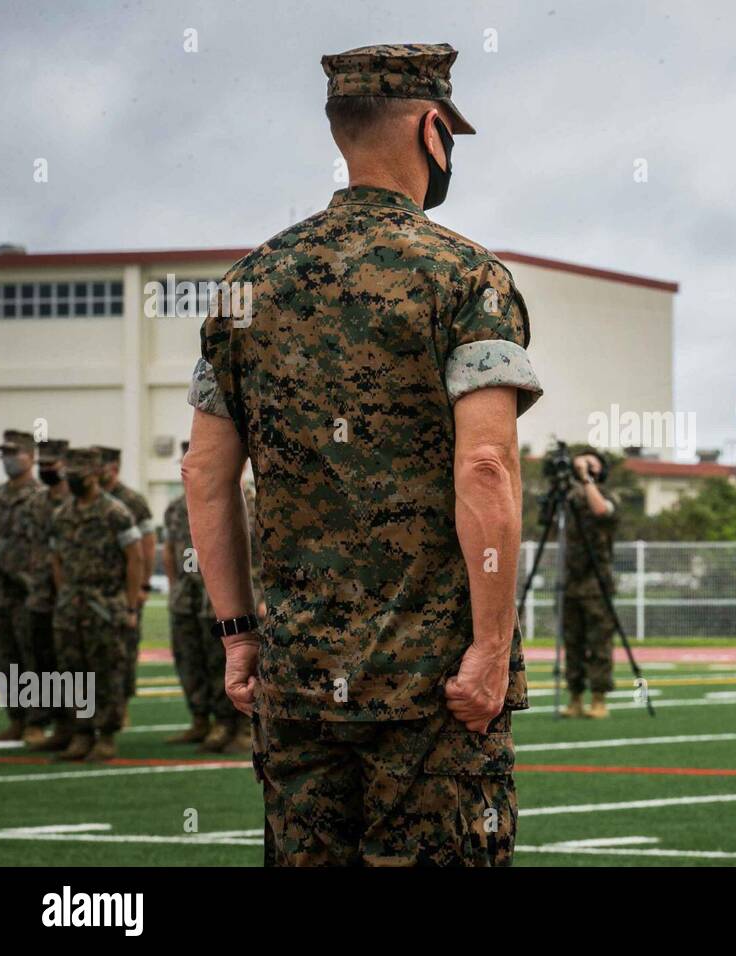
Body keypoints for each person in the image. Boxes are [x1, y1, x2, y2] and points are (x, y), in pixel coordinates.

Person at [184, 42, 542, 866]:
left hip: (298, 682)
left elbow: (205, 474)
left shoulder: (247, 286)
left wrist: (239, 637)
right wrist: (489, 651)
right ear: (431, 130)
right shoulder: (464, 279)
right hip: (432, 691)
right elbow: (485, 468)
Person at [50, 447, 143, 761]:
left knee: (107, 672)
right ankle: (81, 733)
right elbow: (57, 559)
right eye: (70, 476)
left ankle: (106, 735)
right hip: (70, 608)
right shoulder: (61, 515)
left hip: (105, 605)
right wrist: (65, 594)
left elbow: (135, 558)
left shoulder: (115, 513)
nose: (73, 481)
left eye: (79, 476)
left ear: (94, 475)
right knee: (73, 673)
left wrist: (130, 606)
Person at [163, 441, 238, 750]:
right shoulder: (176, 507)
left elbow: (256, 554)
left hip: (220, 599)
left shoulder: (239, 500)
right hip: (186, 596)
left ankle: (233, 725)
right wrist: (174, 586)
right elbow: (169, 551)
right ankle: (200, 719)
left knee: (221, 661)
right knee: (189, 660)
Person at [18, 438, 72, 750]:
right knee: (42, 663)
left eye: (51, 464)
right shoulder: (34, 504)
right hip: (38, 595)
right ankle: (49, 723)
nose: (45, 470)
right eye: (42, 465)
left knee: (72, 664)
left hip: (71, 598)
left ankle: (80, 727)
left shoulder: (77, 503)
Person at [0, 430, 45, 745]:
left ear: (31, 456)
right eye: (5, 453)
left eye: (16, 452)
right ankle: (16, 717)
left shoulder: (41, 497)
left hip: (30, 591)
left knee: (32, 658)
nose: (9, 458)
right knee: (3, 659)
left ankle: (37, 722)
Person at [95, 446, 154, 716]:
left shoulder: (131, 500)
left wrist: (142, 586)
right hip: (94, 590)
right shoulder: (89, 499)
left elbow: (147, 546)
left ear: (114, 468)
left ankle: (121, 706)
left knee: (124, 651)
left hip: (123, 590)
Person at [559, 449, 618, 719]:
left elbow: (601, 510)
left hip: (597, 584)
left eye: (591, 465)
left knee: (599, 643)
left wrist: (586, 480)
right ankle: (574, 698)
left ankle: (598, 698)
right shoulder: (570, 498)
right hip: (571, 581)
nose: (585, 468)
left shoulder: (608, 495)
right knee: (572, 643)